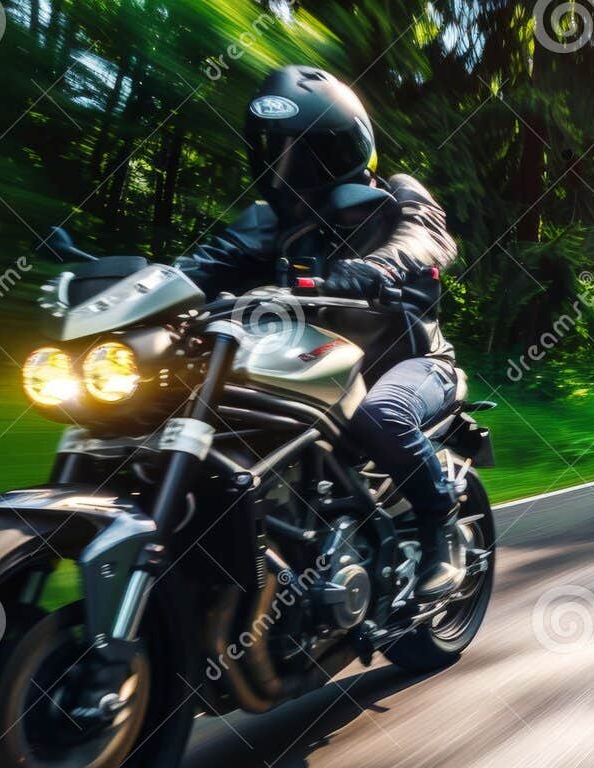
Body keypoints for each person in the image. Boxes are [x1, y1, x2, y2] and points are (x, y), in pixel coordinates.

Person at [175, 66, 463, 596]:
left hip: (407, 364)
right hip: (316, 367)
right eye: (277, 150)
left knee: (384, 416)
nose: (290, 166)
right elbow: (199, 267)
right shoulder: (269, 220)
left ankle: (439, 530)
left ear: (350, 148)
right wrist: (143, 283)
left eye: (309, 152)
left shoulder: (399, 195)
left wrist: (377, 267)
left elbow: (423, 238)